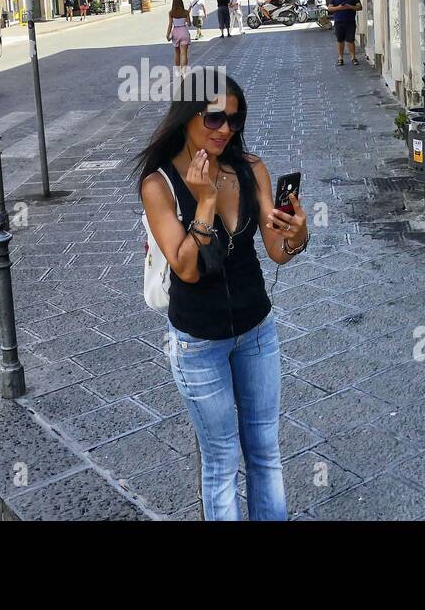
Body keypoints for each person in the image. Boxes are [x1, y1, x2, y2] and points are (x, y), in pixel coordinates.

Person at [136, 70, 309, 521]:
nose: (225, 129)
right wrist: (206, 202)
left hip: (257, 331)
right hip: (199, 342)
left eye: (233, 119)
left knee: (265, 452)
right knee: (221, 462)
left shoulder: (251, 170)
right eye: (214, 119)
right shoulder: (159, 186)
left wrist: (298, 234)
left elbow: (277, 251)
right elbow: (188, 268)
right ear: (188, 116)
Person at [329, 0, 363, 66]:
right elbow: (329, 8)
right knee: (340, 40)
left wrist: (350, 7)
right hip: (339, 21)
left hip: (350, 21)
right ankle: (340, 58)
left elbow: (359, 7)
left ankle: (353, 58)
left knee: (351, 40)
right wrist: (338, 8)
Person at [167, 0, 193, 77]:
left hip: (176, 32)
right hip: (184, 31)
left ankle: (177, 72)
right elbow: (189, 24)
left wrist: (168, 34)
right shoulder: (185, 12)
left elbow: (170, 24)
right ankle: (184, 72)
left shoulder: (171, 13)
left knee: (177, 53)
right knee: (184, 53)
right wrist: (186, 19)